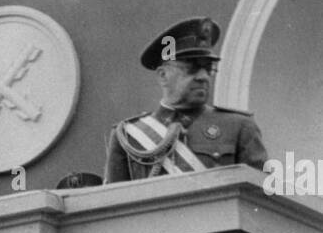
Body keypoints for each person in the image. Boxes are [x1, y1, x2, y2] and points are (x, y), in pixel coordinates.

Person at [104, 17, 267, 182]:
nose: (203, 76)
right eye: (192, 68)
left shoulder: (239, 126)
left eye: (208, 68)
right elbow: (113, 202)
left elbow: (261, 197)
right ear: (163, 76)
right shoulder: (128, 135)